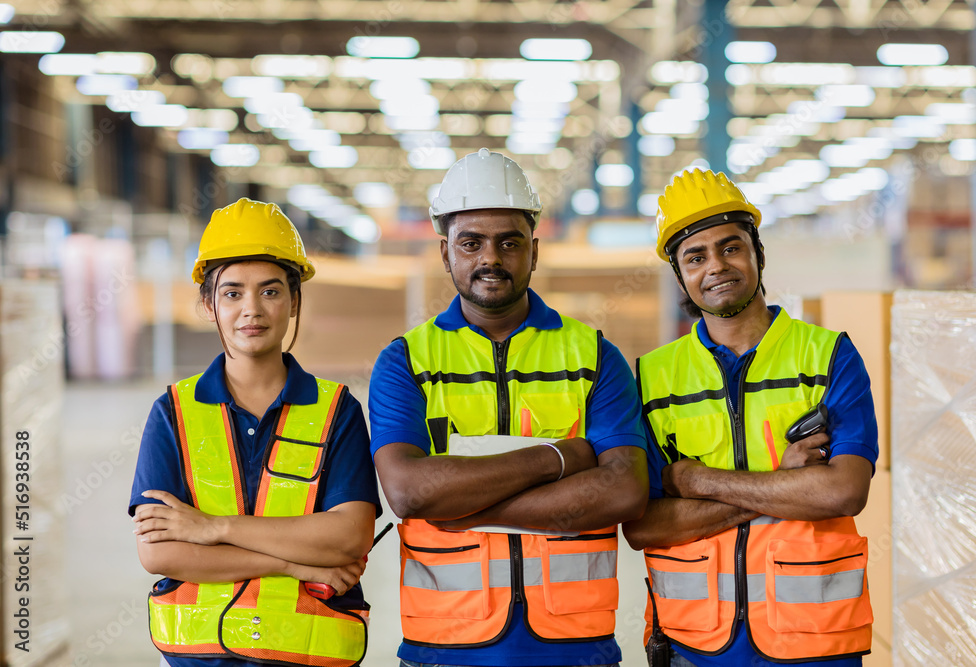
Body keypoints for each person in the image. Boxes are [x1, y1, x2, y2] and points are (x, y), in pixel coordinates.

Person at [367, 148, 649, 667]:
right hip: (445, 648)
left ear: (534, 252)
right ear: (446, 252)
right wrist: (558, 459)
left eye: (509, 242)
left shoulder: (594, 356)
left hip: (575, 647)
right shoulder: (405, 361)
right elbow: (408, 491)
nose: (490, 258)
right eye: (471, 243)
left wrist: (462, 506)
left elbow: (627, 491)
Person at [622, 169, 878, 666]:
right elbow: (645, 526)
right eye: (695, 257)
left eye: (730, 247)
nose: (716, 266)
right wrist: (783, 484)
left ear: (758, 253)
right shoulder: (652, 376)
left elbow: (843, 491)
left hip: (815, 642)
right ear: (680, 276)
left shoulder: (828, 355)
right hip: (693, 646)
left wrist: (696, 479)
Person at [129, 198, 381, 667]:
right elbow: (160, 552)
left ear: (294, 300)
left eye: (270, 291)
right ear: (208, 304)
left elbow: (349, 538)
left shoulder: (337, 411)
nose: (252, 310)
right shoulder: (173, 412)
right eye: (232, 293)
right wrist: (293, 561)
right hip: (198, 657)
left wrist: (212, 529)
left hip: (309, 653)